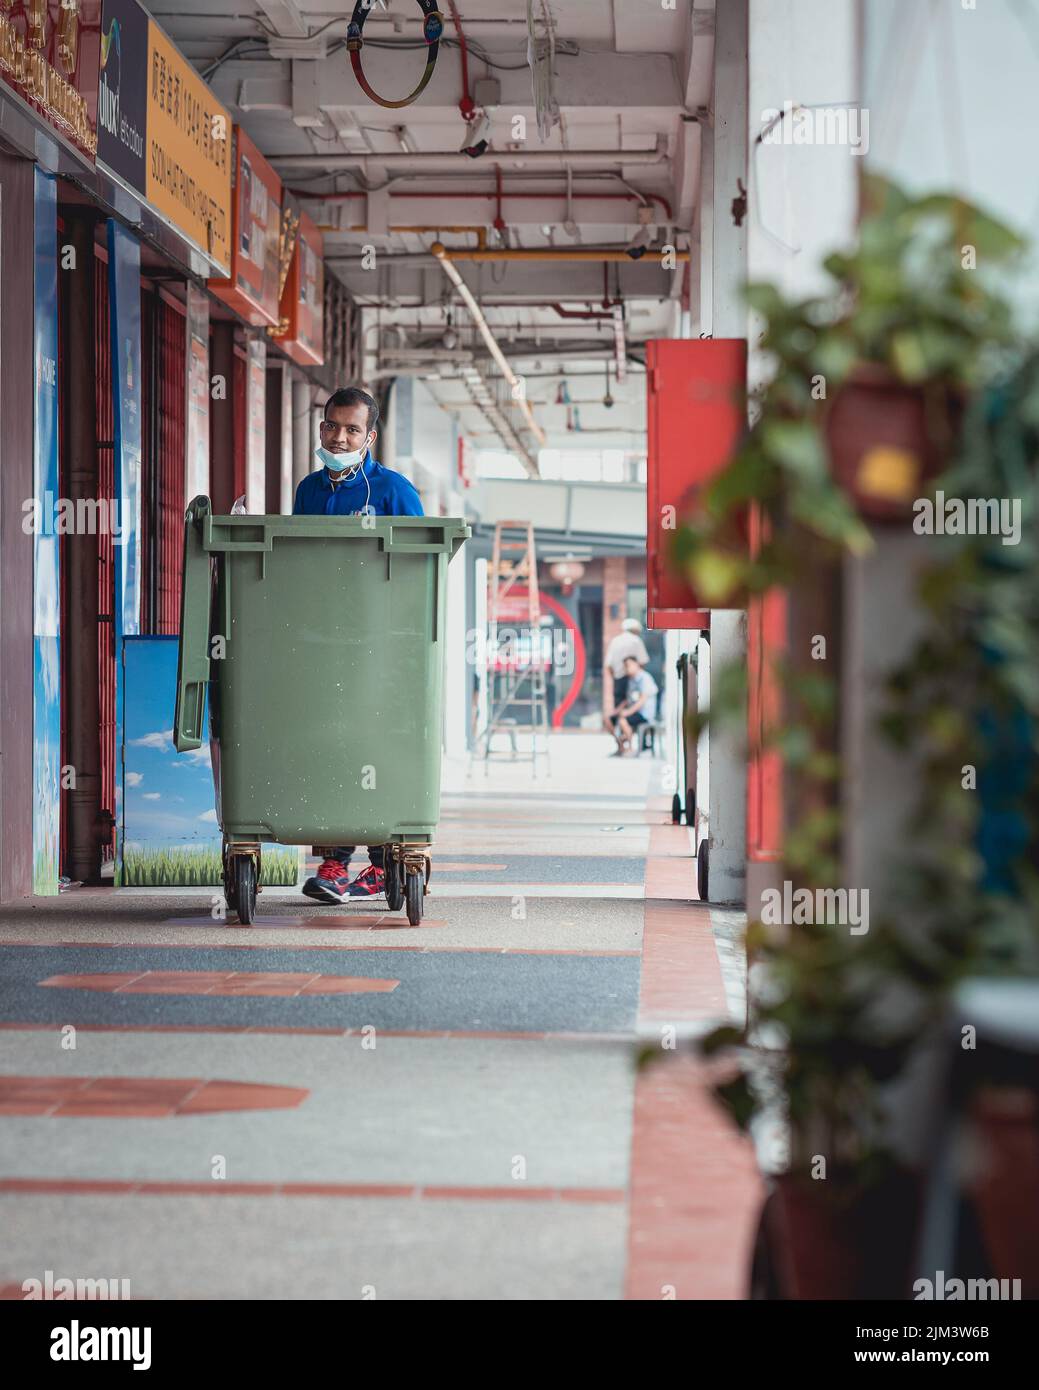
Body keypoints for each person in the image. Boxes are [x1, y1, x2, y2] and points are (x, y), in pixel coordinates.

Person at [296, 386, 423, 903]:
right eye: (331, 426)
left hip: (382, 646)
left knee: (375, 745)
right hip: (324, 644)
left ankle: (379, 862)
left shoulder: (393, 490)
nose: (339, 436)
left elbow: (423, 566)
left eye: (351, 429)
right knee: (329, 742)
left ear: (370, 436)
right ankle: (332, 863)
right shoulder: (308, 491)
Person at [603, 618, 649, 735]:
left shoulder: (615, 641)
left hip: (618, 681)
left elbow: (608, 665)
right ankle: (628, 742)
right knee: (631, 713)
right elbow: (643, 661)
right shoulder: (636, 641)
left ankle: (621, 745)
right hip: (633, 681)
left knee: (617, 714)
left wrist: (615, 678)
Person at [608, 655, 659, 756]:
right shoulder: (631, 680)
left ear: (637, 664)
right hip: (634, 712)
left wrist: (627, 712)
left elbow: (642, 700)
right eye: (625, 666)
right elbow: (629, 699)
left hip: (644, 714)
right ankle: (621, 747)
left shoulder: (645, 678)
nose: (627, 669)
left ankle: (630, 747)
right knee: (610, 719)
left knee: (623, 720)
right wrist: (617, 711)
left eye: (628, 665)